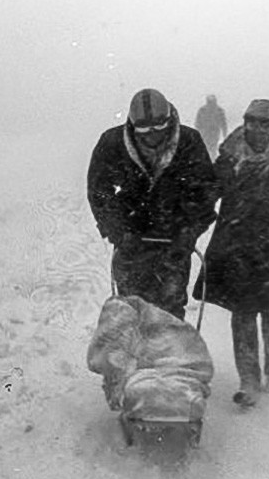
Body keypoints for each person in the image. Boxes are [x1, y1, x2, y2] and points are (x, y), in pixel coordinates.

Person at [192, 98, 269, 407]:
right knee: (243, 315)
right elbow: (208, 192)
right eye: (251, 121)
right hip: (237, 249)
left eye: (265, 123)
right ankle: (248, 380)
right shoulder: (230, 159)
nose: (256, 129)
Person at [88, 88, 218, 321]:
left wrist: (189, 231)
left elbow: (206, 191)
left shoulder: (189, 141)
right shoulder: (112, 143)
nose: (152, 136)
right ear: (132, 125)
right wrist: (116, 229)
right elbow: (99, 192)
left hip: (174, 245)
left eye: (159, 127)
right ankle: (136, 356)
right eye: (144, 130)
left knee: (170, 313)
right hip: (130, 245)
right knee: (131, 310)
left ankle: (168, 355)